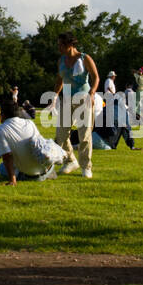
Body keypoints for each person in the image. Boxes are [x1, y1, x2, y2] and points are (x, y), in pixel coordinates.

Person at [52, 33, 99, 178]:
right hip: (66, 99)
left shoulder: (85, 58)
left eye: (61, 44)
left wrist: (91, 93)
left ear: (70, 45)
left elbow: (95, 77)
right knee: (61, 134)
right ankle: (71, 160)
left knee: (84, 134)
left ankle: (86, 166)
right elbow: (60, 80)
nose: (59, 47)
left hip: (83, 98)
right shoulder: (61, 60)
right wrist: (54, 95)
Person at [0, 100, 63, 183]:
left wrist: (12, 180)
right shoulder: (29, 122)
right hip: (46, 168)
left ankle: (21, 175)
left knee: (2, 167)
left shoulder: (1, 129)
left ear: (3, 115)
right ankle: (47, 173)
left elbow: (7, 157)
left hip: (29, 175)